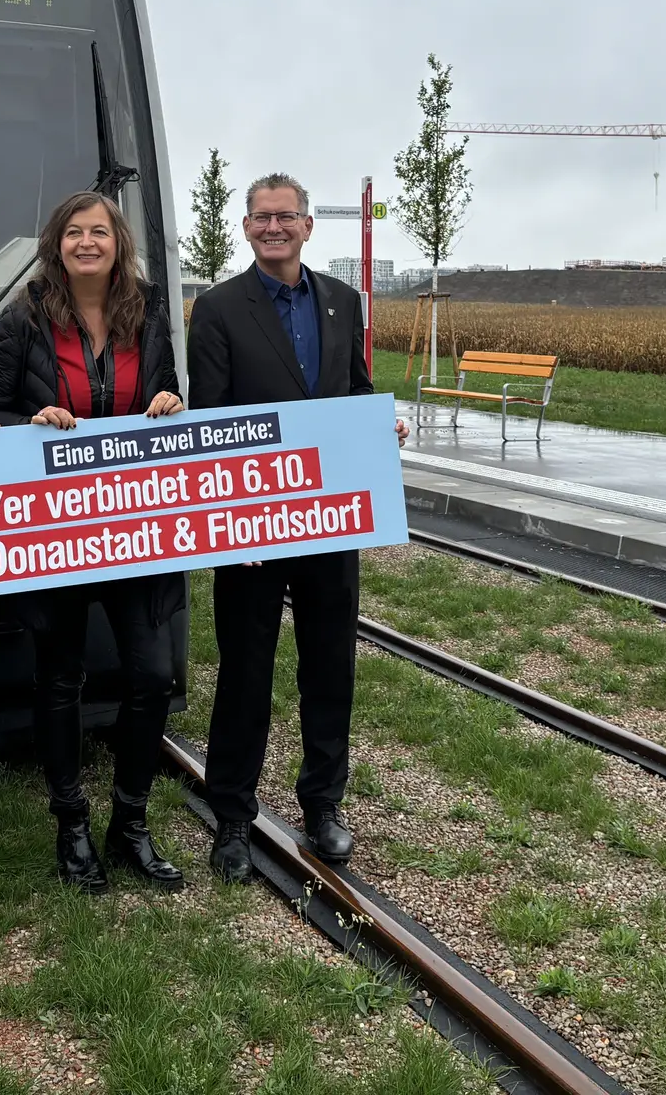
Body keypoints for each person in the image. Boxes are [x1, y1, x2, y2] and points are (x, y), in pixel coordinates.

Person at [187, 172, 405, 882]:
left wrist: (381, 432)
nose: (273, 228)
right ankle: (231, 817)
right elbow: (211, 420)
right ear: (245, 229)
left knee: (330, 666)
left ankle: (323, 804)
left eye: (286, 217)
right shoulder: (217, 309)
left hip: (330, 521)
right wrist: (228, 523)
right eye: (260, 219)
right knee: (245, 672)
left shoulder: (343, 303)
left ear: (308, 226)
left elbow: (356, 396)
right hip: (252, 530)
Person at [0, 191, 188, 894]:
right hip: (58, 532)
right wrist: (30, 417)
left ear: (117, 242)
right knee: (60, 680)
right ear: (56, 243)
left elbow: (173, 399)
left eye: (100, 231)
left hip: (136, 528)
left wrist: (171, 404)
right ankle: (71, 824)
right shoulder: (24, 319)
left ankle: (129, 822)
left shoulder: (151, 311)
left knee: (153, 675)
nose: (87, 242)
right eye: (75, 232)